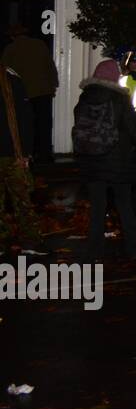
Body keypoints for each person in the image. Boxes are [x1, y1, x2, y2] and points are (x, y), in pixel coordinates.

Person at [73, 59, 136, 261]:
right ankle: (132, 249)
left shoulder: (85, 98)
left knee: (98, 208)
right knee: (124, 205)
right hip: (118, 161)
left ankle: (94, 250)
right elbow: (135, 131)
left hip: (92, 161)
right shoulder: (120, 99)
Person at [0, 59, 42, 252]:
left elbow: (24, 118)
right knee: (22, 200)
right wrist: (25, 152)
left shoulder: (11, 79)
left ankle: (11, 239)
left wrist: (24, 151)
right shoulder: (10, 78)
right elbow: (25, 117)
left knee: (21, 199)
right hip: (11, 152)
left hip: (10, 151)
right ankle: (29, 241)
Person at [3, 23, 58, 162]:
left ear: (12, 36)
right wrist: (53, 85)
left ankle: (28, 153)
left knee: (26, 125)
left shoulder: (10, 49)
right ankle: (45, 154)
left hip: (23, 93)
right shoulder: (40, 45)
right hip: (43, 91)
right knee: (44, 124)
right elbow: (50, 66)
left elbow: (4, 72)